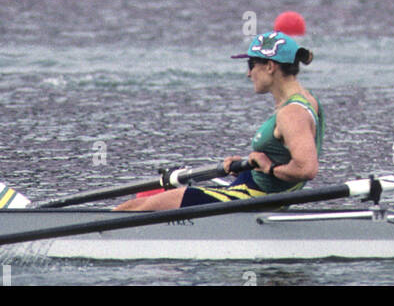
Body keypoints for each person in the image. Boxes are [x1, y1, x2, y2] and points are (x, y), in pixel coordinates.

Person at [117, 31, 323, 212]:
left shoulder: (292, 113)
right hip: (248, 189)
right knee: (150, 200)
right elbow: (282, 157)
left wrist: (269, 168)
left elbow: (306, 169)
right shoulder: (306, 100)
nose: (248, 73)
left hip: (253, 198)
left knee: (135, 207)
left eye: (251, 64)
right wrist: (245, 165)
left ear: (270, 66)